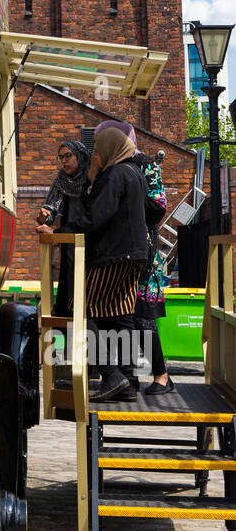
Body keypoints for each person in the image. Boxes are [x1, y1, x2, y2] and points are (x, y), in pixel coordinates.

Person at [68, 127, 149, 401]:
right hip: (135, 255)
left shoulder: (114, 175)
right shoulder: (135, 173)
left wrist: (64, 231)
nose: (95, 156)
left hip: (112, 256)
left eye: (98, 152)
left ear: (108, 150)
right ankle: (126, 379)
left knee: (82, 310)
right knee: (122, 314)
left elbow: (96, 217)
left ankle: (112, 376)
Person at [95, 119, 170, 394]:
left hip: (142, 249)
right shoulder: (109, 166)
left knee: (142, 316)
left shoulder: (145, 164)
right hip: (118, 251)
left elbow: (159, 207)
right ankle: (129, 378)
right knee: (123, 314)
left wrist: (129, 196)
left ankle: (162, 375)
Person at [36, 139, 91, 317]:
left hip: (92, 243)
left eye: (68, 156)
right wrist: (44, 216)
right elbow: (50, 211)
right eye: (60, 158)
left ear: (80, 157)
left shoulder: (92, 179)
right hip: (69, 244)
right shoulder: (61, 180)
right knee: (67, 297)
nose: (64, 161)